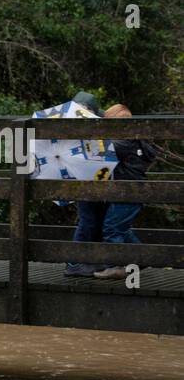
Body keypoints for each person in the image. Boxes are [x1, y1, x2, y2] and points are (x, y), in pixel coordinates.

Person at [93, 104, 157, 281]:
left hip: (128, 192)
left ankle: (116, 266)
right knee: (122, 228)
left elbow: (102, 148)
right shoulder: (132, 139)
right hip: (129, 191)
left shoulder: (123, 142)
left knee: (112, 228)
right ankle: (142, 258)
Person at [63, 91, 108, 277]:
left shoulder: (97, 129)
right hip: (82, 179)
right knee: (88, 222)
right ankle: (73, 263)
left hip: (98, 178)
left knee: (97, 220)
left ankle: (92, 260)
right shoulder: (69, 129)